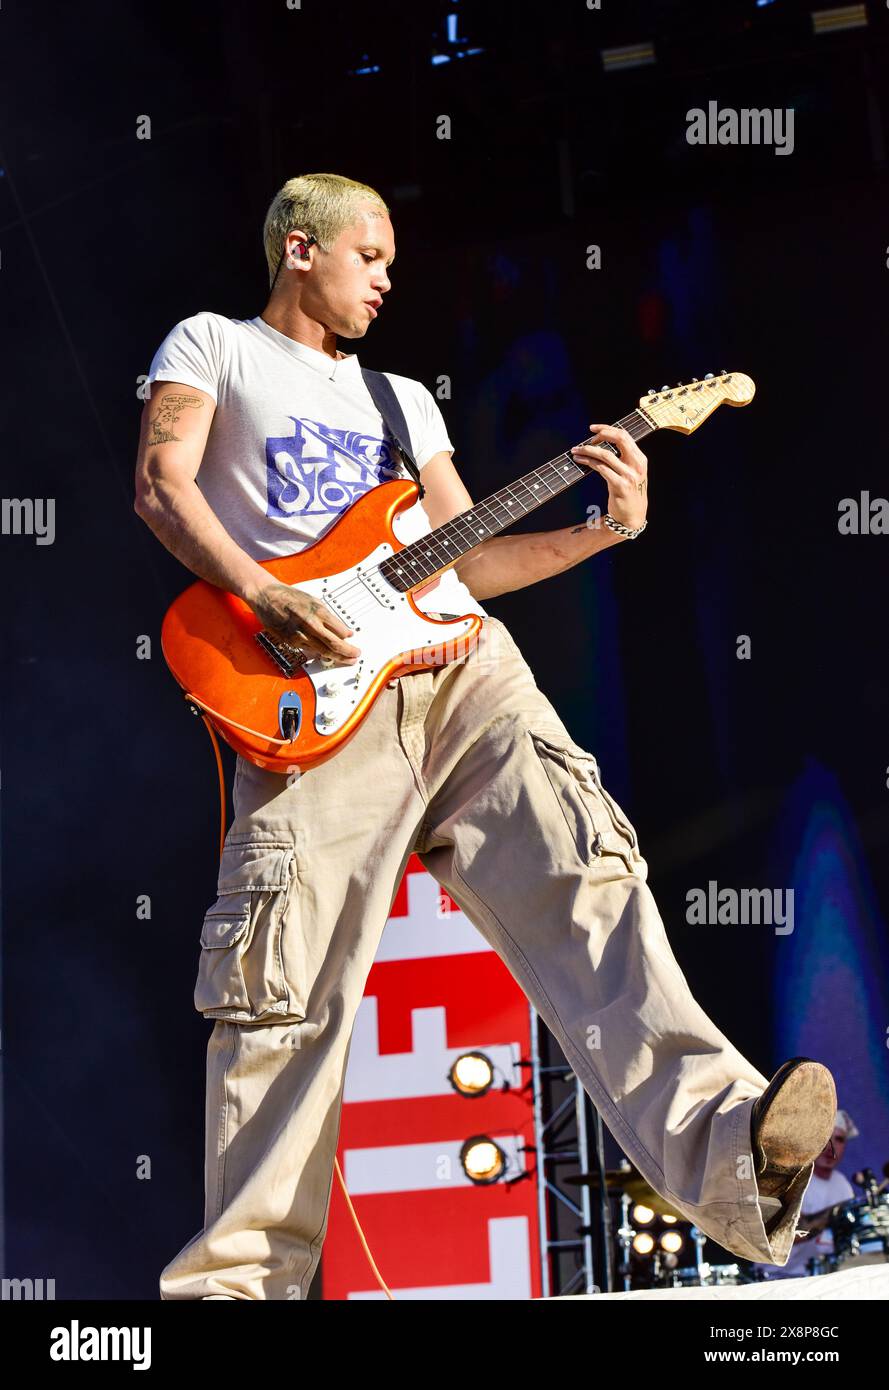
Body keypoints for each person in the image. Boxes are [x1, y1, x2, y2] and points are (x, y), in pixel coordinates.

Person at [134, 172, 837, 1300]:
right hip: (310, 698)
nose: (387, 278)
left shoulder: (406, 400)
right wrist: (267, 597)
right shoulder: (212, 346)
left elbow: (463, 562)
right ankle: (235, 1287)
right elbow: (164, 487)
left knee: (591, 880)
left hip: (464, 668)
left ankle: (736, 1153)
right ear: (299, 247)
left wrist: (599, 533)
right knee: (286, 991)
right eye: (371, 256)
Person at [755, 1110, 859, 1280]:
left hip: (820, 1277)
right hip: (777, 1279)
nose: (830, 1147)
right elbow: (788, 1232)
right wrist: (840, 1212)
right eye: (825, 1138)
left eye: (839, 1139)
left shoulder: (842, 1184)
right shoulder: (790, 1177)